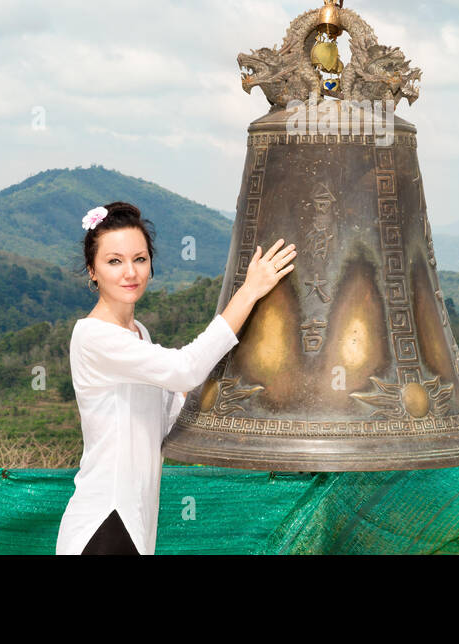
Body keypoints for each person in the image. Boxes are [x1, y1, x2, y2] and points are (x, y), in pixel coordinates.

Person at [55, 201, 296, 555]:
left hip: (134, 522)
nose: (130, 272)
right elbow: (184, 369)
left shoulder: (140, 333)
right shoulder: (93, 337)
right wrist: (248, 292)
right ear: (92, 270)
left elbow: (166, 418)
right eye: (114, 261)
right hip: (104, 521)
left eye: (139, 259)